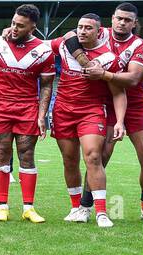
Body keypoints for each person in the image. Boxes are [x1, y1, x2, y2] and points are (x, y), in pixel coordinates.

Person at [79, 3, 143, 221]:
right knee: (99, 157)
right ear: (112, 19)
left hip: (135, 105)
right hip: (103, 103)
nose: (122, 23)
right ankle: (85, 207)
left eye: (127, 20)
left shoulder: (139, 45)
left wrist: (103, 74)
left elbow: (133, 79)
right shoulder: (99, 33)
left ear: (135, 23)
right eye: (119, 18)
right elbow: (70, 37)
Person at [51, 14, 129, 228]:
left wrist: (120, 121)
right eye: (79, 27)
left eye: (88, 28)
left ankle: (101, 212)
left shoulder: (108, 58)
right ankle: (77, 208)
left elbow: (118, 92)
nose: (82, 31)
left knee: (93, 157)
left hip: (91, 111)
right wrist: (8, 35)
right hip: (63, 111)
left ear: (98, 31)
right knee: (69, 160)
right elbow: (37, 46)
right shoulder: (64, 46)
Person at [0, 5, 55, 223]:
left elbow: (46, 85)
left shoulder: (43, 51)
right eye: (13, 23)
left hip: (27, 108)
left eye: (20, 25)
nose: (15, 28)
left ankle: (28, 208)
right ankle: (2, 207)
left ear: (33, 27)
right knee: (1, 152)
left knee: (26, 154)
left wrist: (41, 115)